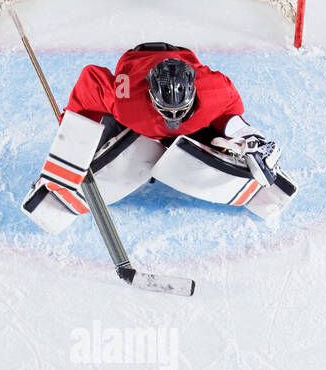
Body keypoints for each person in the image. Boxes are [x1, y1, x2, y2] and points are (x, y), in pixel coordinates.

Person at [21, 42, 296, 232]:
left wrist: (242, 134)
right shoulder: (125, 99)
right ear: (151, 97)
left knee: (222, 136)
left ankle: (250, 154)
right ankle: (59, 193)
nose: (172, 119)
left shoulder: (215, 90)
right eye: (166, 111)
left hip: (184, 74)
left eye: (179, 111)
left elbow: (230, 110)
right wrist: (75, 133)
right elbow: (89, 81)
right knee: (109, 133)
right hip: (136, 73)